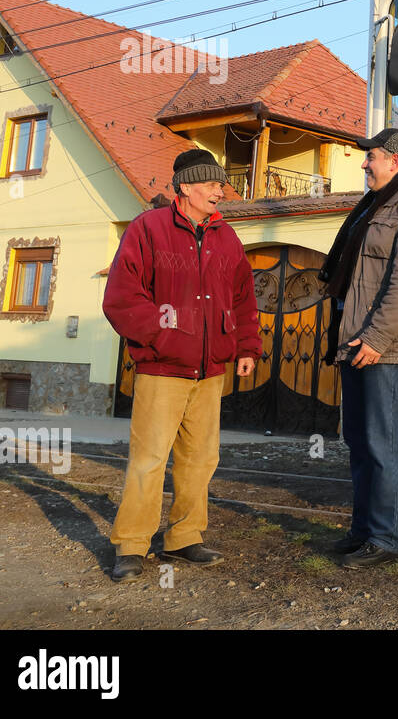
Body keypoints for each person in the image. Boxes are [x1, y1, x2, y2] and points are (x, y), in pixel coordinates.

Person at [102, 149, 260, 582]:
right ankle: (132, 545)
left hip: (210, 371)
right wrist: (163, 337)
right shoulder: (147, 229)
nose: (219, 192)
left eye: (220, 185)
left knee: (200, 459)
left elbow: (244, 298)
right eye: (211, 184)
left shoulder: (227, 238)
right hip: (162, 369)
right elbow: (121, 297)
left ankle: (185, 538)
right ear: (186, 187)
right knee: (149, 459)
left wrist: (246, 346)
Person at [319, 128, 398, 569]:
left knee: (383, 443)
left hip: (387, 348)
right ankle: (364, 530)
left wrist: (376, 338)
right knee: (360, 441)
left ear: (396, 160)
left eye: (370, 156)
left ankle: (387, 539)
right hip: (358, 342)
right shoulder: (375, 204)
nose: (363, 164)